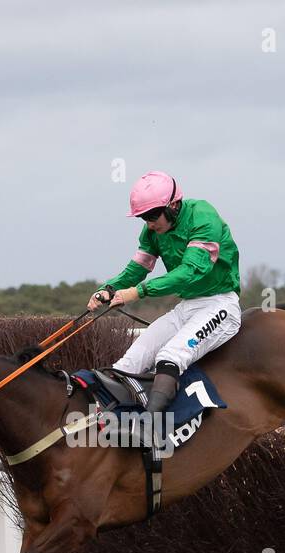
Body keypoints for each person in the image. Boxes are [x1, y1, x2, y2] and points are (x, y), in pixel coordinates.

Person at [88, 171, 242, 421]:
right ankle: (106, 423)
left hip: (221, 305)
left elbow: (189, 272)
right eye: (142, 218)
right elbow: (137, 269)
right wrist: (110, 288)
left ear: (173, 205)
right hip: (187, 307)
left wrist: (138, 293)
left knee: (169, 356)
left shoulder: (202, 216)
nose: (148, 224)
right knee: (127, 364)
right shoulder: (151, 232)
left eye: (151, 216)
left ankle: (152, 427)